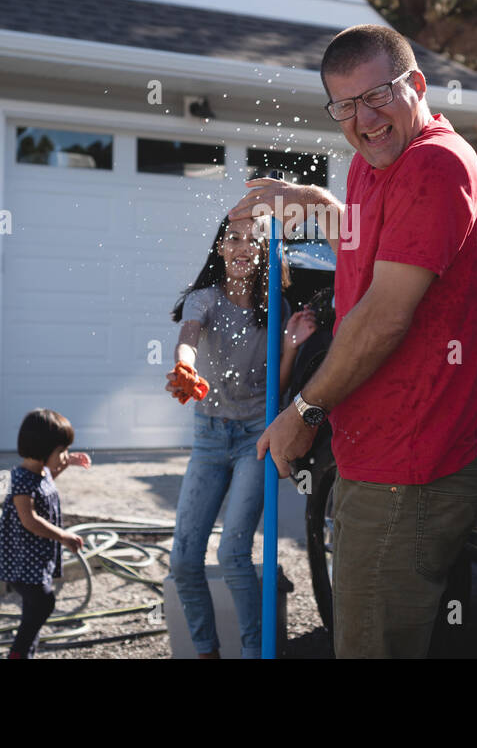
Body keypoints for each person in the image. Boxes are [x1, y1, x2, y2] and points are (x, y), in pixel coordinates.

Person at [229, 24, 477, 658]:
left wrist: (303, 412)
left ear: (418, 86)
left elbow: (382, 317)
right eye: (344, 105)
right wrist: (314, 201)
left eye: (378, 97)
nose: (363, 118)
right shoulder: (376, 166)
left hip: (408, 470)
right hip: (373, 459)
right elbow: (381, 238)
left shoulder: (436, 163)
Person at [166, 213, 315, 658]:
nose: (243, 247)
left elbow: (278, 386)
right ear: (220, 248)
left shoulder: (276, 309)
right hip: (210, 438)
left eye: (254, 242)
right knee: (184, 561)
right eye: (234, 239)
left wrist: (290, 346)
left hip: (256, 437)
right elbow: (188, 337)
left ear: (266, 254)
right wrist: (184, 365)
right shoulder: (204, 300)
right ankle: (208, 651)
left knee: (234, 555)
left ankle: (254, 653)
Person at [0, 408, 91, 659]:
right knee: (43, 602)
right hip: (23, 560)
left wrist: (67, 462)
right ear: (42, 449)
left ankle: (25, 652)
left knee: (34, 608)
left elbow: (50, 475)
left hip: (36, 559)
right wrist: (63, 536)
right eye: (61, 451)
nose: (64, 456)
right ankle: (18, 652)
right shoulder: (22, 480)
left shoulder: (42, 472)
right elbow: (29, 519)